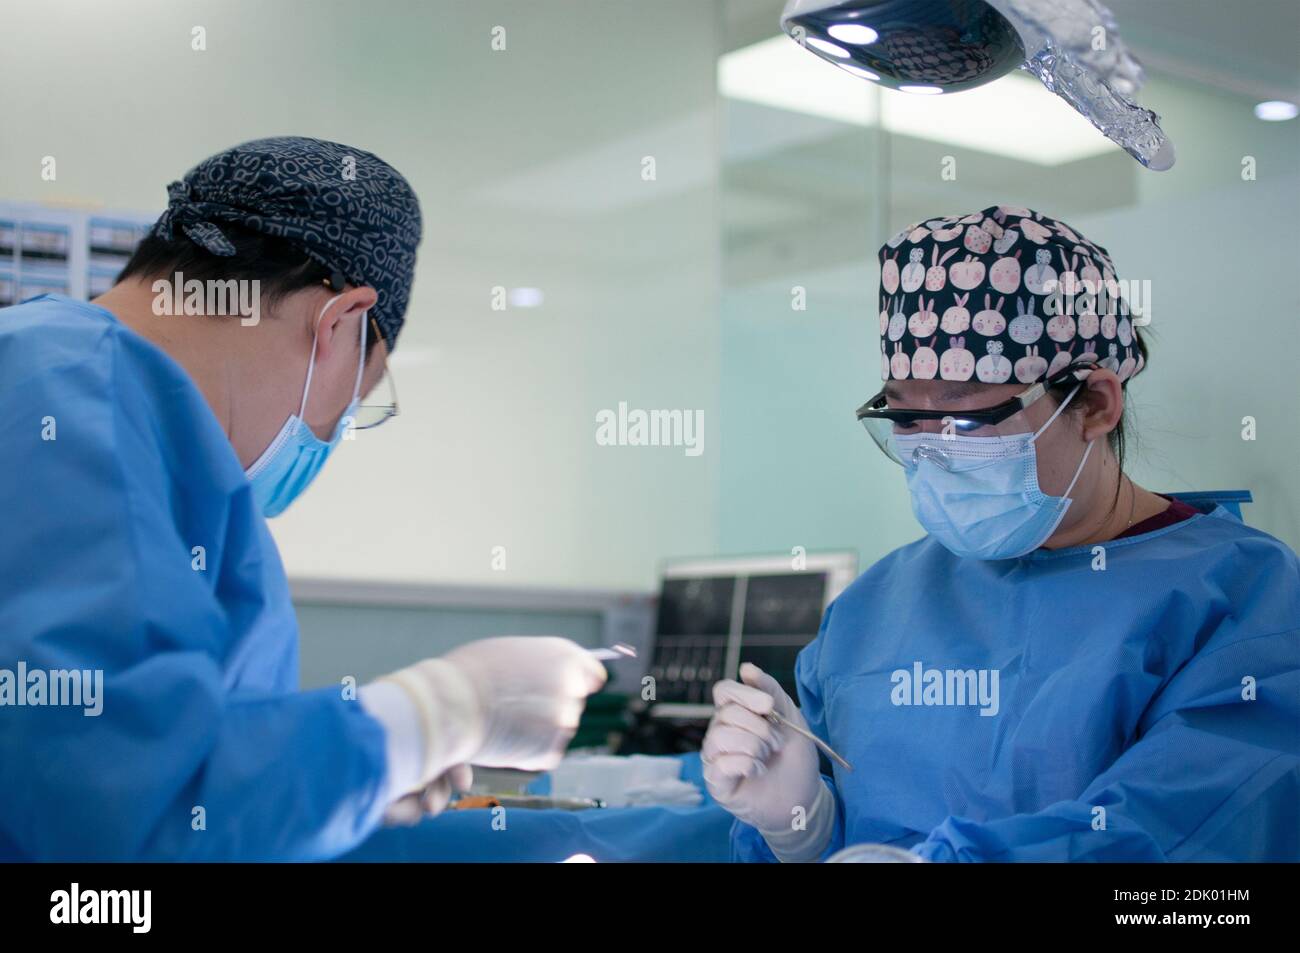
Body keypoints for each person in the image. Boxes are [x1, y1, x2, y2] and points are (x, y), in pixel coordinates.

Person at [0, 137, 606, 860]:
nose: (331, 433)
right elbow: (115, 826)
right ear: (339, 322)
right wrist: (439, 712)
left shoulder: (113, 414)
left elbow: (206, 779)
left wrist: (342, 784)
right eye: (353, 405)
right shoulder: (63, 394)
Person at [702, 206, 1300, 862]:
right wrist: (800, 826)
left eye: (966, 415)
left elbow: (1190, 838)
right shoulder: (875, 606)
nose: (930, 448)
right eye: (904, 414)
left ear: (1096, 404)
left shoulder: (1240, 596)